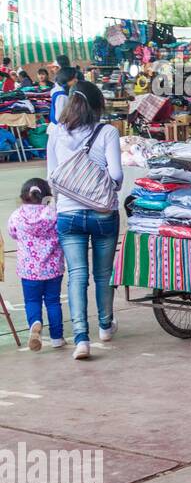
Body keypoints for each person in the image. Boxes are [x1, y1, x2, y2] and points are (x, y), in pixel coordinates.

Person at [46, 83, 122, 361]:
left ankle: (81, 338)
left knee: (77, 275)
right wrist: (98, 183)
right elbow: (116, 176)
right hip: (103, 213)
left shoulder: (56, 132)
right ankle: (105, 325)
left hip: (68, 213)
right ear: (97, 105)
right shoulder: (108, 131)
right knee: (103, 274)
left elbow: (51, 177)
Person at [7, 177, 64, 352]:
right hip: (53, 269)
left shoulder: (17, 215)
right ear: (47, 196)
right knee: (53, 302)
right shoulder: (54, 214)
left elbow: (13, 233)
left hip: (28, 271)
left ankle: (35, 324)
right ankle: (57, 338)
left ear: (24, 196)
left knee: (32, 301)